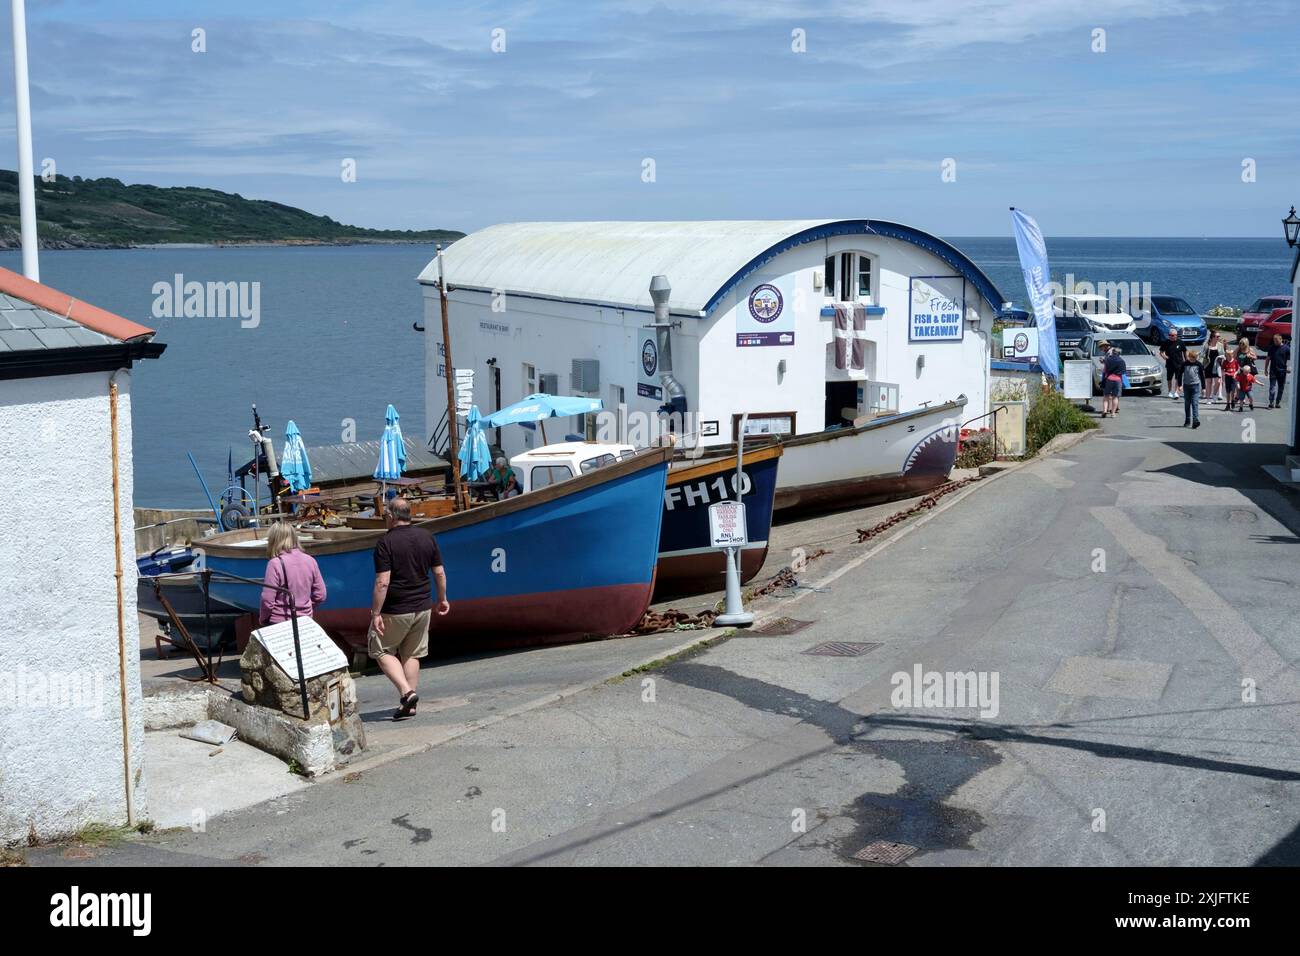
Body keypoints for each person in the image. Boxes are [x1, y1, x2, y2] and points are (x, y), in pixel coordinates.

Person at [369, 496, 450, 719]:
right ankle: (410, 705)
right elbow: (439, 573)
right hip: (423, 606)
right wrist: (442, 599)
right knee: (412, 654)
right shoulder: (427, 537)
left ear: (392, 516)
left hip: (396, 608)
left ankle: (406, 693)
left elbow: (382, 581)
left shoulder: (385, 543)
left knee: (380, 649)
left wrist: (376, 613)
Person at [259, 522, 327, 625]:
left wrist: (263, 619)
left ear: (274, 540)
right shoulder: (310, 560)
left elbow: (267, 600)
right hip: (306, 621)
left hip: (280, 622)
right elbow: (321, 595)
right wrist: (305, 608)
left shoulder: (275, 564)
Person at [1100, 345, 1126, 419]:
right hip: (1118, 380)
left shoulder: (1108, 359)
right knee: (1115, 397)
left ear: (1113, 352)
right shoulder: (1122, 361)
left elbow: (1104, 370)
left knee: (1106, 396)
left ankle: (1105, 411)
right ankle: (1113, 413)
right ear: (1119, 353)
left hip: (1109, 379)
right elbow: (1123, 373)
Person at [1181, 348, 1205, 429]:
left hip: (1195, 386)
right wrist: (1179, 385)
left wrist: (1204, 388)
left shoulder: (1199, 364)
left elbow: (1202, 376)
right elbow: (1179, 374)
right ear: (1189, 357)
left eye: (1195, 358)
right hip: (1186, 386)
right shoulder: (1184, 364)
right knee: (1187, 403)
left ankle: (1195, 420)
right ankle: (1187, 420)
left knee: (1195, 403)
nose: (1193, 360)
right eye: (1192, 358)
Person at [1265, 333, 1290, 409]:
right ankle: (1271, 402)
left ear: (1281, 339)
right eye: (1274, 340)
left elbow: (1289, 360)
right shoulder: (1271, 348)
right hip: (1273, 371)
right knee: (1272, 387)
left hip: (1282, 371)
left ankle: (1278, 402)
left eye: (1276, 340)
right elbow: (1268, 359)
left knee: (1281, 388)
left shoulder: (1286, 348)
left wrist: (1289, 367)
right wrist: (1266, 369)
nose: (1275, 342)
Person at [1160, 329, 1185, 400]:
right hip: (1170, 364)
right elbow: (1161, 352)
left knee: (1178, 378)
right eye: (1170, 335)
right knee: (1169, 379)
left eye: (1172, 335)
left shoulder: (1180, 342)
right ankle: (1170, 391)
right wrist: (1164, 356)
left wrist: (1186, 361)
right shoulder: (1166, 342)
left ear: (1176, 335)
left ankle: (1176, 392)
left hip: (1179, 364)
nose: (1171, 336)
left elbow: (1184, 352)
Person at [1203, 330, 1223, 403]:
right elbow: (1202, 355)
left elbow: (1223, 354)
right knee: (1209, 383)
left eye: (1219, 336)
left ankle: (1214, 394)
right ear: (1212, 337)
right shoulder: (1207, 345)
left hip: (1217, 366)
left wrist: (1222, 358)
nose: (1219, 337)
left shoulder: (1220, 345)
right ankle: (1208, 399)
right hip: (1208, 365)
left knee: (1218, 381)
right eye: (1217, 336)